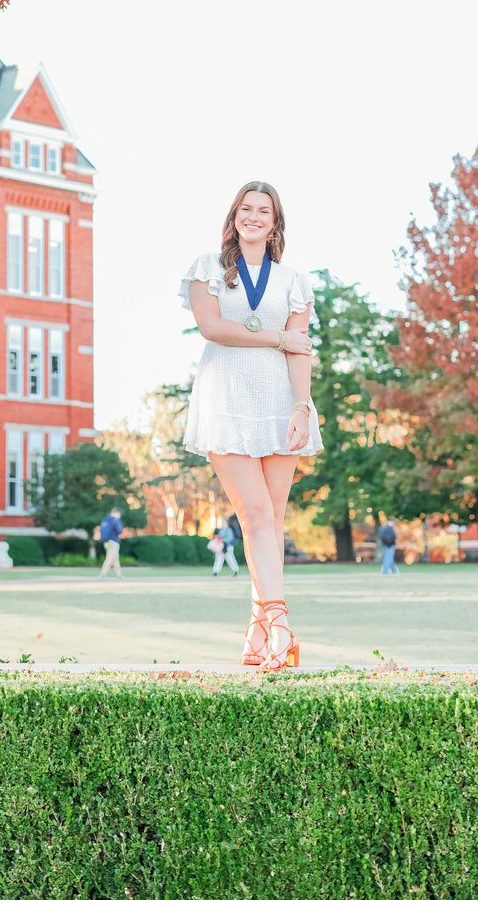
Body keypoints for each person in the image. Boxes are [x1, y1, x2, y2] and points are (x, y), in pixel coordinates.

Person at [180, 181, 323, 672]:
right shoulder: (209, 270)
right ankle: (281, 622)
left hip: (280, 403)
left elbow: (300, 349)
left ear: (275, 221)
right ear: (234, 216)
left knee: (269, 520)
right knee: (256, 511)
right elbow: (212, 328)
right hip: (226, 401)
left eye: (264, 210)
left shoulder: (293, 282)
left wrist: (303, 407)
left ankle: (259, 628)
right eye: (246, 209)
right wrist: (278, 336)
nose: (255, 217)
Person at [99, 506, 124, 580]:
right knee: (110, 558)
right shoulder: (115, 520)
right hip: (114, 541)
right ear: (117, 512)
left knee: (115, 558)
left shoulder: (105, 519)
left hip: (106, 541)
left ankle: (119, 575)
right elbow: (120, 530)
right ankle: (103, 574)